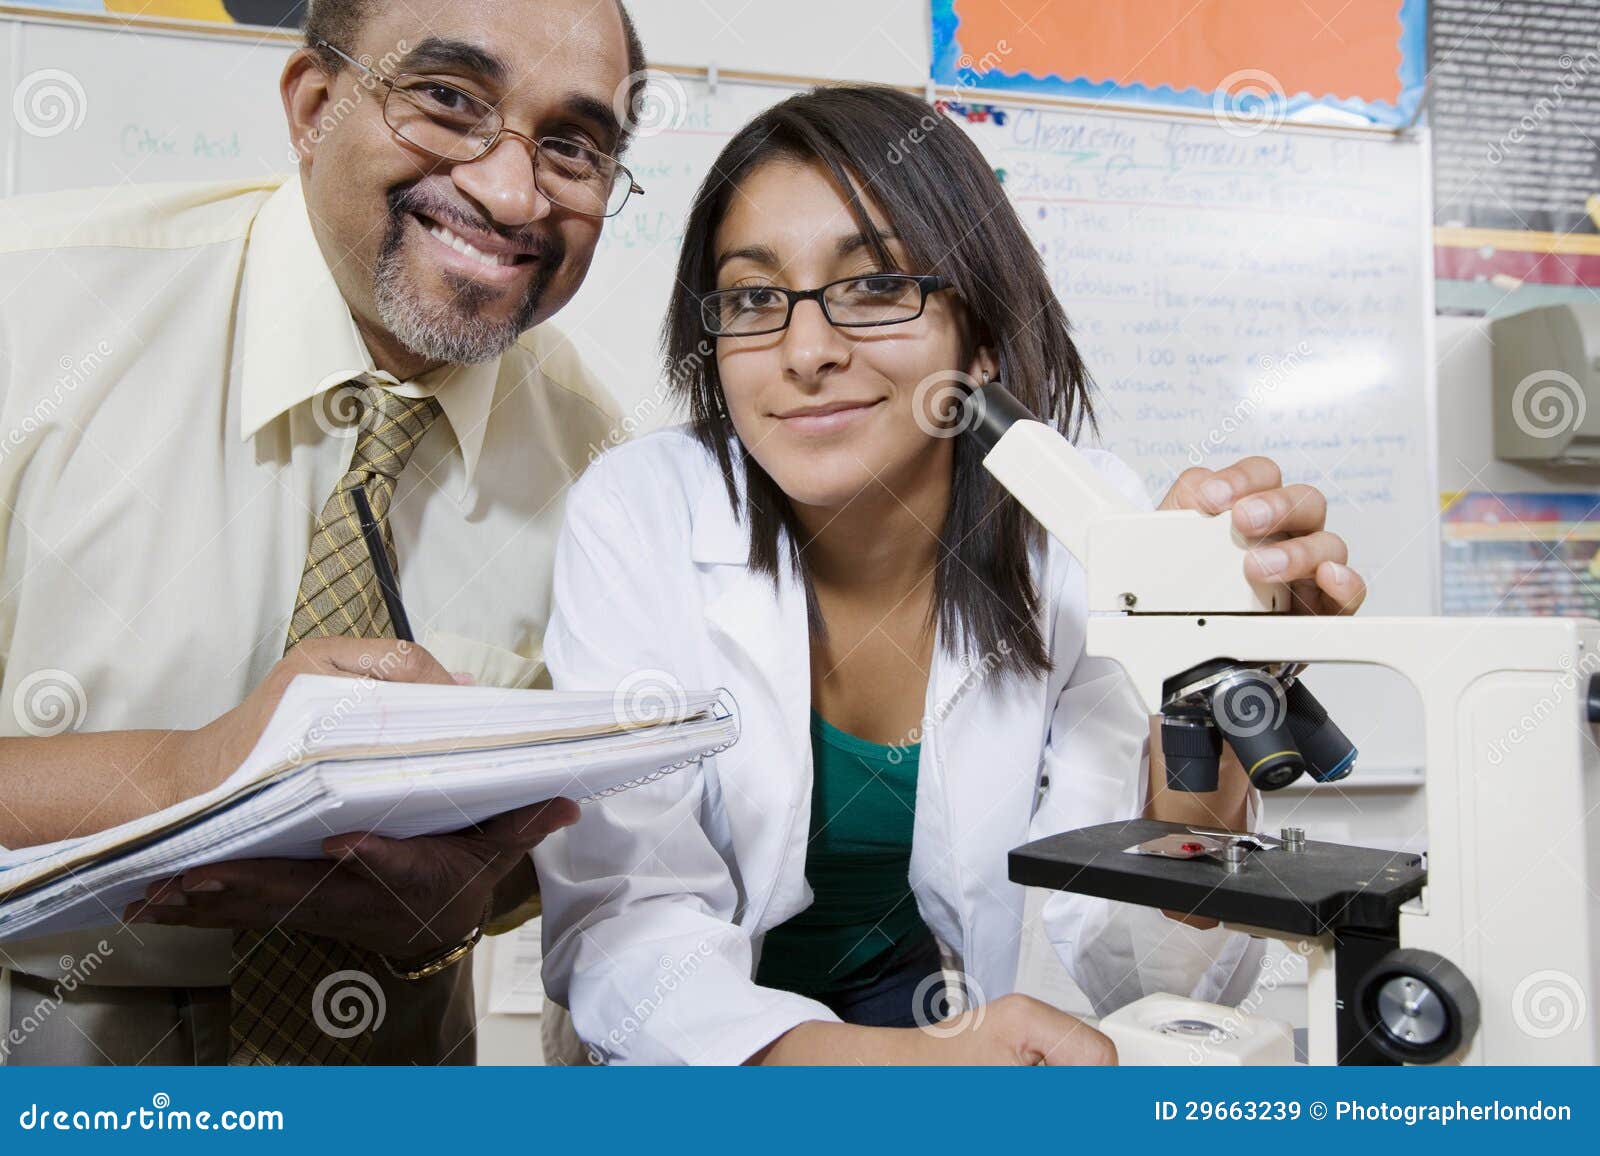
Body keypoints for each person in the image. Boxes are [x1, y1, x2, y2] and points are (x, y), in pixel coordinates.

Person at [534, 86, 1367, 1065]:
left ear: (978, 338)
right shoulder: (638, 513)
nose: (806, 352)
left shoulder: (1077, 531)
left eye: (877, 285)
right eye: (755, 297)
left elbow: (1137, 979)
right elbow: (627, 923)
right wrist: (898, 1072)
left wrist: (1202, 747)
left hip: (957, 1033)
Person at [0, 0, 648, 1065]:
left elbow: (589, 831)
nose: (509, 191)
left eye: (572, 147)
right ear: (312, 105)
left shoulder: (605, 459)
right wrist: (181, 776)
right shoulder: (32, 318)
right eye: (447, 101)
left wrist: (472, 901)